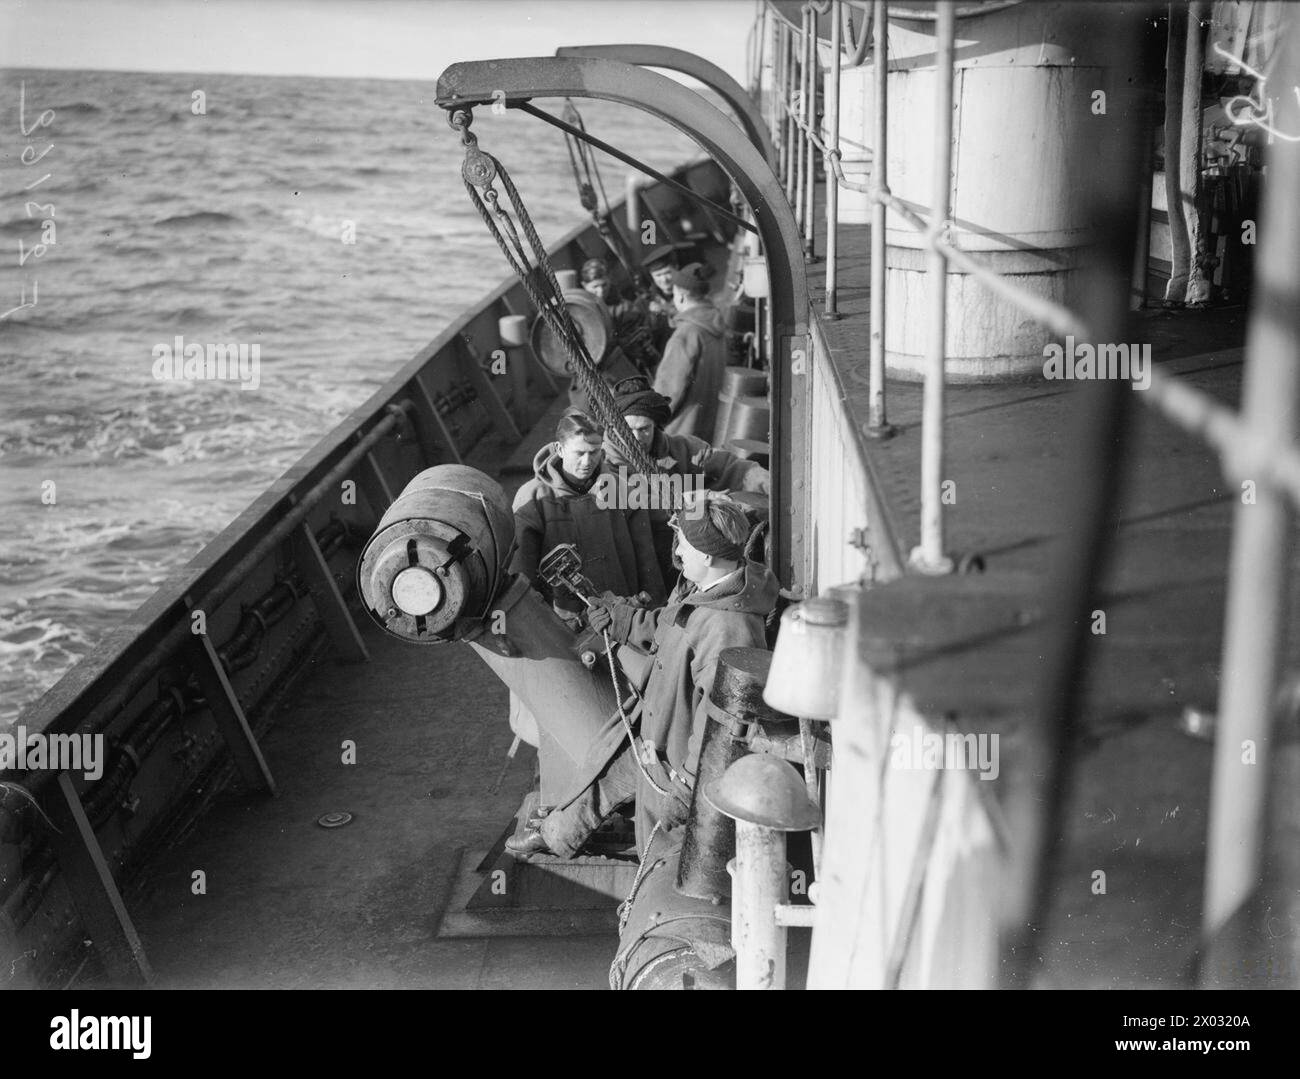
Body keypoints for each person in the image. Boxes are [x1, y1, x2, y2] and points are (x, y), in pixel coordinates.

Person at [506, 493, 778, 859]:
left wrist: (685, 790)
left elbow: (724, 729)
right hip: (654, 737)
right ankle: (554, 835)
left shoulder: (728, 629)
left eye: (682, 544)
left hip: (673, 767)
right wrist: (619, 618)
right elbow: (666, 626)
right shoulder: (707, 591)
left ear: (707, 555)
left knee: (660, 853)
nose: (677, 553)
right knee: (603, 779)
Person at [602, 376, 770, 587]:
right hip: (638, 562)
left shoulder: (683, 449)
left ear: (656, 425)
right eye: (628, 430)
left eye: (644, 429)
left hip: (683, 558)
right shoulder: (605, 465)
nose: (636, 437)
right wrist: (707, 498)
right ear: (614, 427)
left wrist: (768, 483)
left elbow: (732, 467)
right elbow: (645, 501)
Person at [512, 409, 666, 623]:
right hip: (566, 621)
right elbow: (521, 572)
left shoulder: (624, 490)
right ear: (560, 449)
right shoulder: (534, 497)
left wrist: (654, 613)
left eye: (594, 452)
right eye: (579, 453)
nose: (587, 462)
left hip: (625, 614)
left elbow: (647, 559)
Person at [653, 262, 728, 439]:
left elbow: (668, 392)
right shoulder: (717, 327)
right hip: (709, 430)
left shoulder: (685, 335)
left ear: (680, 297)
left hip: (679, 435)